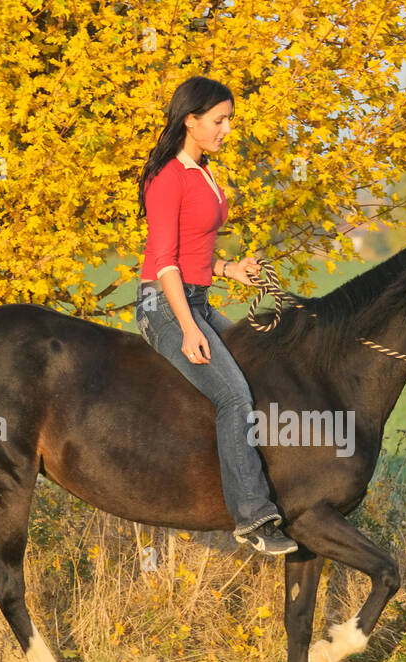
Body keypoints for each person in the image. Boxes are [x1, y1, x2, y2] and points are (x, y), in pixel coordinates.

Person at [135, 76, 297, 555]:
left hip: (198, 297)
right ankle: (252, 518)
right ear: (191, 120)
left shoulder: (202, 170)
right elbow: (164, 262)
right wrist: (188, 329)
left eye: (229, 120)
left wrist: (230, 269)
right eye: (219, 120)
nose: (227, 129)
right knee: (233, 396)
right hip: (164, 305)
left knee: (264, 368)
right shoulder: (167, 178)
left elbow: (194, 252)